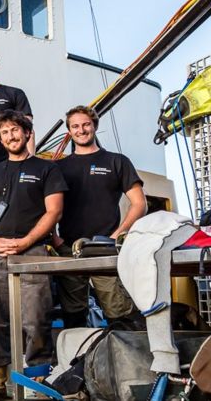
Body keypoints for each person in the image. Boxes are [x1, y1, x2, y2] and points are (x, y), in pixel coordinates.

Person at [0, 110, 68, 400]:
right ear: (0, 138)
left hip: (33, 251)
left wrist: (26, 240)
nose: (11, 136)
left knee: (36, 318)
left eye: (16, 130)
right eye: (5, 132)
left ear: (28, 133)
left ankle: (38, 381)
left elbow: (55, 210)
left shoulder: (47, 170)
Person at [55, 106, 146, 328]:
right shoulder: (58, 168)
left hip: (105, 248)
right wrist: (55, 239)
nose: (81, 130)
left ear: (95, 125)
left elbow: (139, 203)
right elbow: (47, 207)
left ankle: (125, 359)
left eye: (86, 124)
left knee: (119, 315)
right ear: (69, 131)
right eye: (75, 126)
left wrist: (117, 235)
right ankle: (78, 361)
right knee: (73, 317)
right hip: (69, 250)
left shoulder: (117, 161)